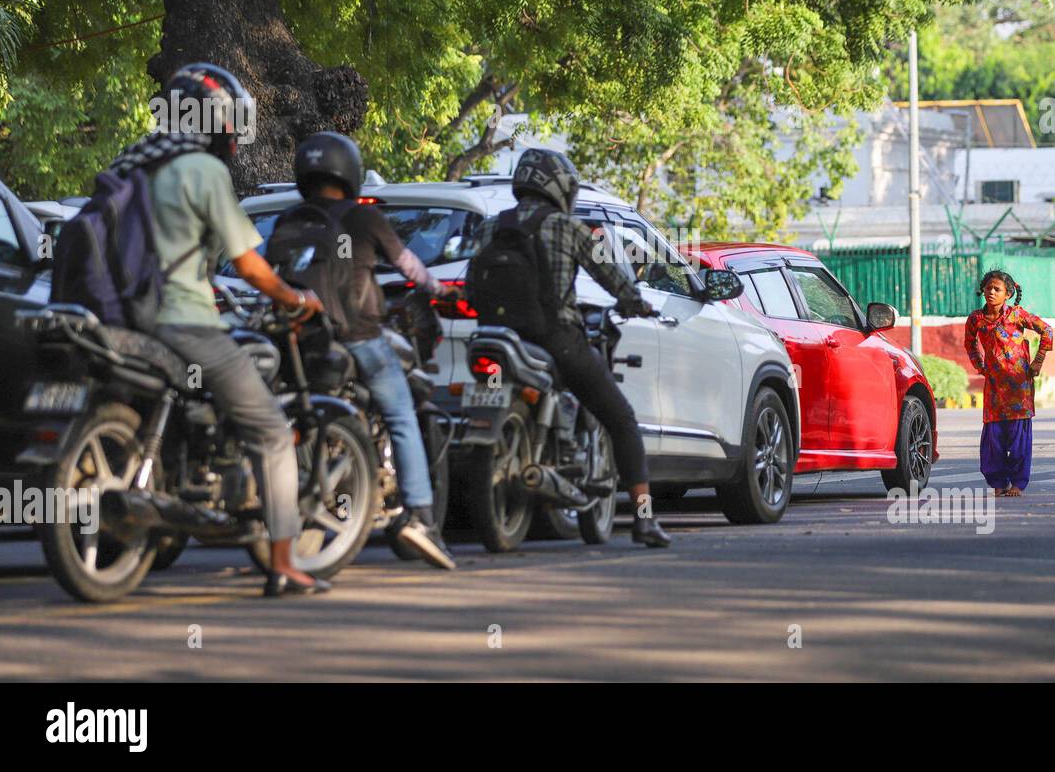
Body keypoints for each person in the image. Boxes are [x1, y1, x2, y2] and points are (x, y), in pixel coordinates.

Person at [112, 63, 327, 597]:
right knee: (273, 432)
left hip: (122, 317)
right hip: (182, 324)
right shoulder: (202, 173)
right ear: (217, 121)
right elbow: (251, 268)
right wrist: (296, 297)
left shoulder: (131, 163)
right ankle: (284, 563)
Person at [467, 148, 671, 547]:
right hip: (556, 340)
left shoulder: (489, 228)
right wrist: (636, 302)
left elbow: (472, 285)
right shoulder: (569, 227)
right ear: (560, 187)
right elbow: (613, 278)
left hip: (495, 337)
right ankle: (644, 520)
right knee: (623, 420)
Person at [290, 131, 456, 569]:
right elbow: (409, 266)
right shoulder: (365, 219)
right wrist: (440, 289)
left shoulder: (291, 219)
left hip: (297, 340)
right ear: (349, 172)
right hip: (358, 337)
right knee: (401, 415)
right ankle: (420, 515)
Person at [963, 269, 1053, 497]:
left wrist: (1038, 361)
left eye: (997, 289)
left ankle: (1016, 484)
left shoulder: (1016, 315)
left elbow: (1047, 331)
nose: (991, 292)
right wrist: (979, 365)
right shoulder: (976, 319)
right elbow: (969, 343)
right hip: (994, 388)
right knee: (993, 438)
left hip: (1019, 388)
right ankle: (998, 483)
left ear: (1008, 294)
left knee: (1018, 438)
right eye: (988, 288)